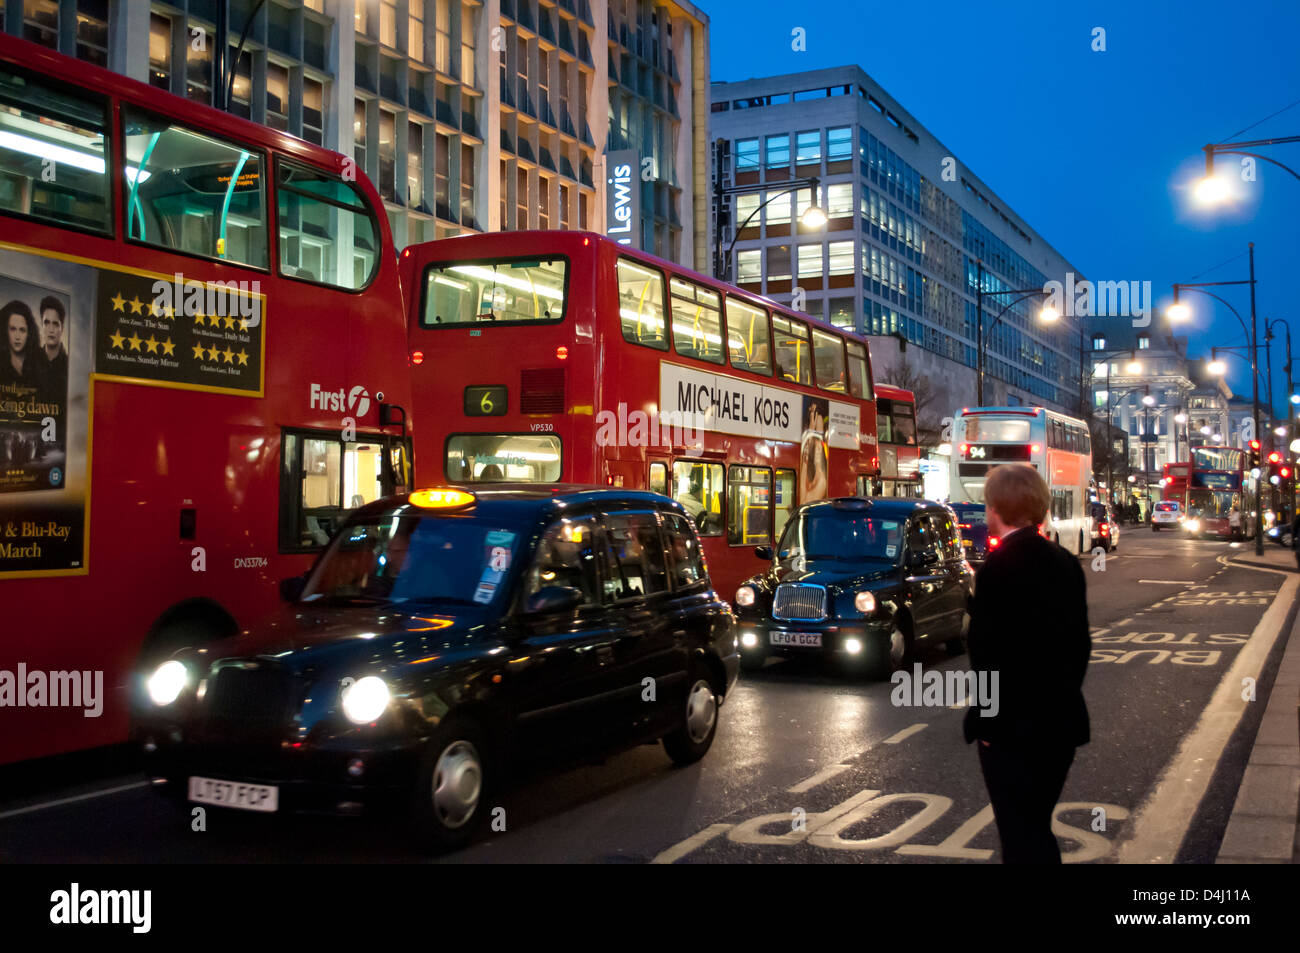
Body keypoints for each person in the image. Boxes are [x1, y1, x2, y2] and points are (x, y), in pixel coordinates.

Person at [964, 463, 1091, 863]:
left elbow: (988, 657)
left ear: (996, 508)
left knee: (1019, 835)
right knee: (1034, 828)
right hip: (1060, 726)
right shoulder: (1065, 562)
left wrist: (988, 723)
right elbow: (1078, 647)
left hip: (1011, 733)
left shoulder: (997, 570)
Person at [35, 295, 68, 407]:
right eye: (46, 323)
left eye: (55, 324)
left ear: (62, 328)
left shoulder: (70, 366)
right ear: (41, 325)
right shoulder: (30, 361)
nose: (51, 329)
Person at [1, 300, 40, 388]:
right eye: (13, 329)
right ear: (5, 331)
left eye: (22, 330)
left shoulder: (39, 364)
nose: (17, 337)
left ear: (29, 333)